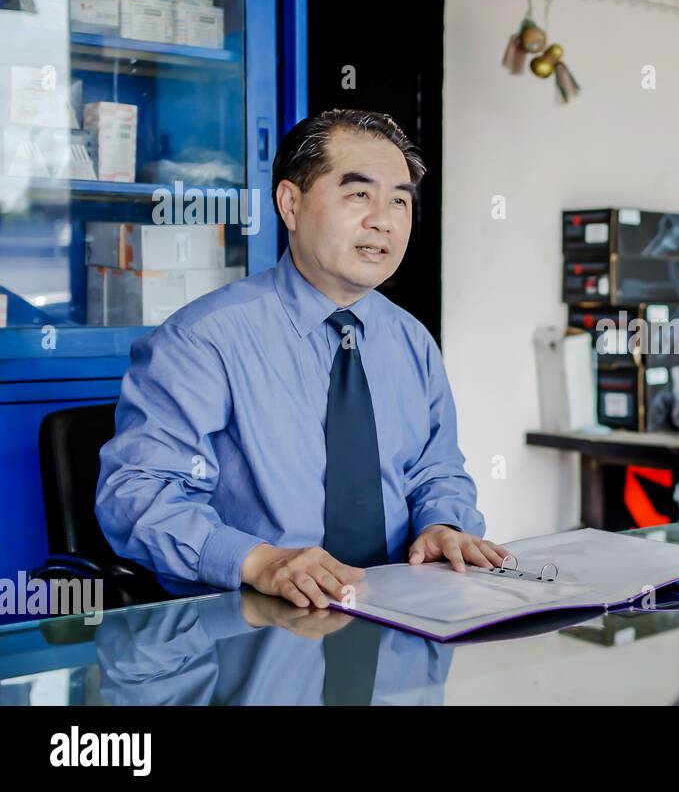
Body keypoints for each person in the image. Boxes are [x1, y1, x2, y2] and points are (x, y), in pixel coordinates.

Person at [97, 109, 507, 609]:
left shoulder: (411, 341)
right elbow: (136, 494)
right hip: (257, 628)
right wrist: (258, 560)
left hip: (402, 617)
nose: (383, 220)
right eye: (359, 195)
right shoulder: (203, 340)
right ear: (290, 204)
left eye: (399, 200)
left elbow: (435, 470)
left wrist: (443, 524)